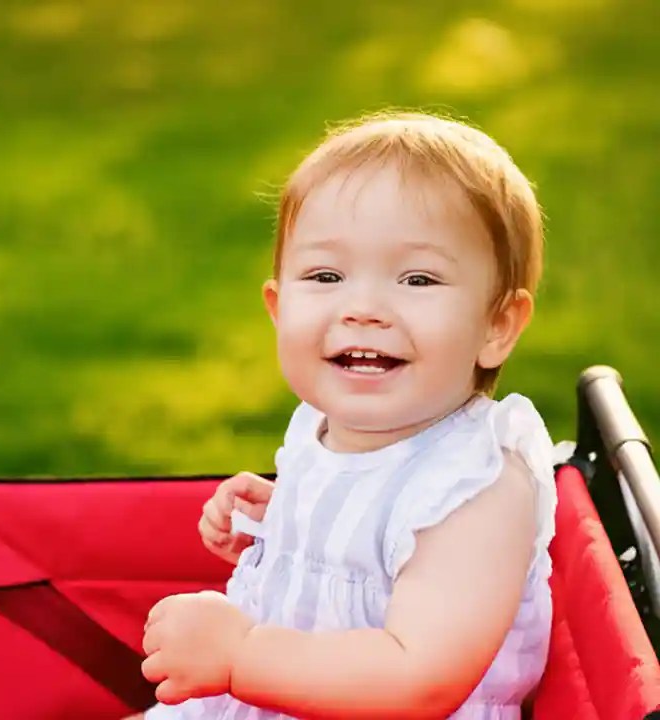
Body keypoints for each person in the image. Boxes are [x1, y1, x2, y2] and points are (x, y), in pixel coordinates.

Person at [133, 111, 555, 719]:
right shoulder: (321, 423)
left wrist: (242, 653)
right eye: (326, 275)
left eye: (417, 278)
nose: (363, 308)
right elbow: (362, 540)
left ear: (497, 326)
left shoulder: (475, 487)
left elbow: (418, 677)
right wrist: (281, 524)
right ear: (278, 308)